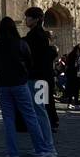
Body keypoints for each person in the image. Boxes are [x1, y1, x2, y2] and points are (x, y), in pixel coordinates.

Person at [0, 16, 56, 157]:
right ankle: (42, 149)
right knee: (30, 116)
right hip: (20, 83)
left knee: (8, 119)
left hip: (3, 84)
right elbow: (30, 62)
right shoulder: (22, 43)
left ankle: (13, 153)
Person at [23, 7, 60, 135]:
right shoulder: (39, 34)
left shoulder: (36, 35)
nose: (26, 20)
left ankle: (46, 134)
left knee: (40, 106)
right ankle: (51, 124)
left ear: (36, 19)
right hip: (42, 75)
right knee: (44, 103)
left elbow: (36, 56)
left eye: (28, 17)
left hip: (38, 76)